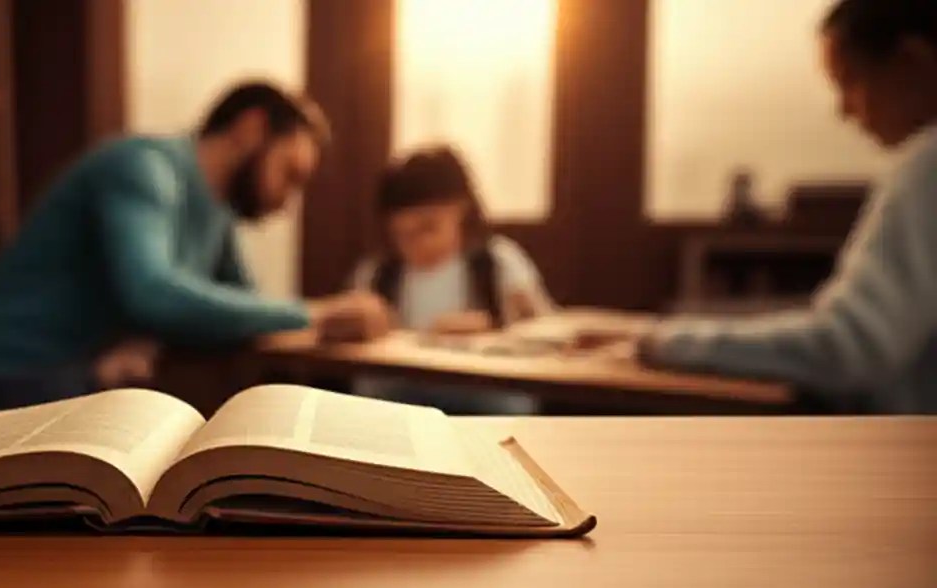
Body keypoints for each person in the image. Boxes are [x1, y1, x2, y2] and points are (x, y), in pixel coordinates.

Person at [0, 80, 390, 410]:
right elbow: (153, 294)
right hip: (14, 375)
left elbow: (244, 306)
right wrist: (316, 313)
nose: (286, 202)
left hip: (90, 371)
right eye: (290, 174)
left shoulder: (216, 209)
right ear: (250, 129)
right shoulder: (144, 167)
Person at [597, 0, 937, 413]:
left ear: (911, 62)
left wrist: (661, 341)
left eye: (851, 82)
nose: (845, 111)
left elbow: (848, 349)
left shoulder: (928, 165)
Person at [350, 146, 554, 414]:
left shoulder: (496, 262)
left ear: (461, 210)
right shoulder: (378, 273)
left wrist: (494, 327)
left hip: (484, 388)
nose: (418, 244)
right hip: (402, 391)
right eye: (403, 236)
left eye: (428, 228)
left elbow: (546, 333)